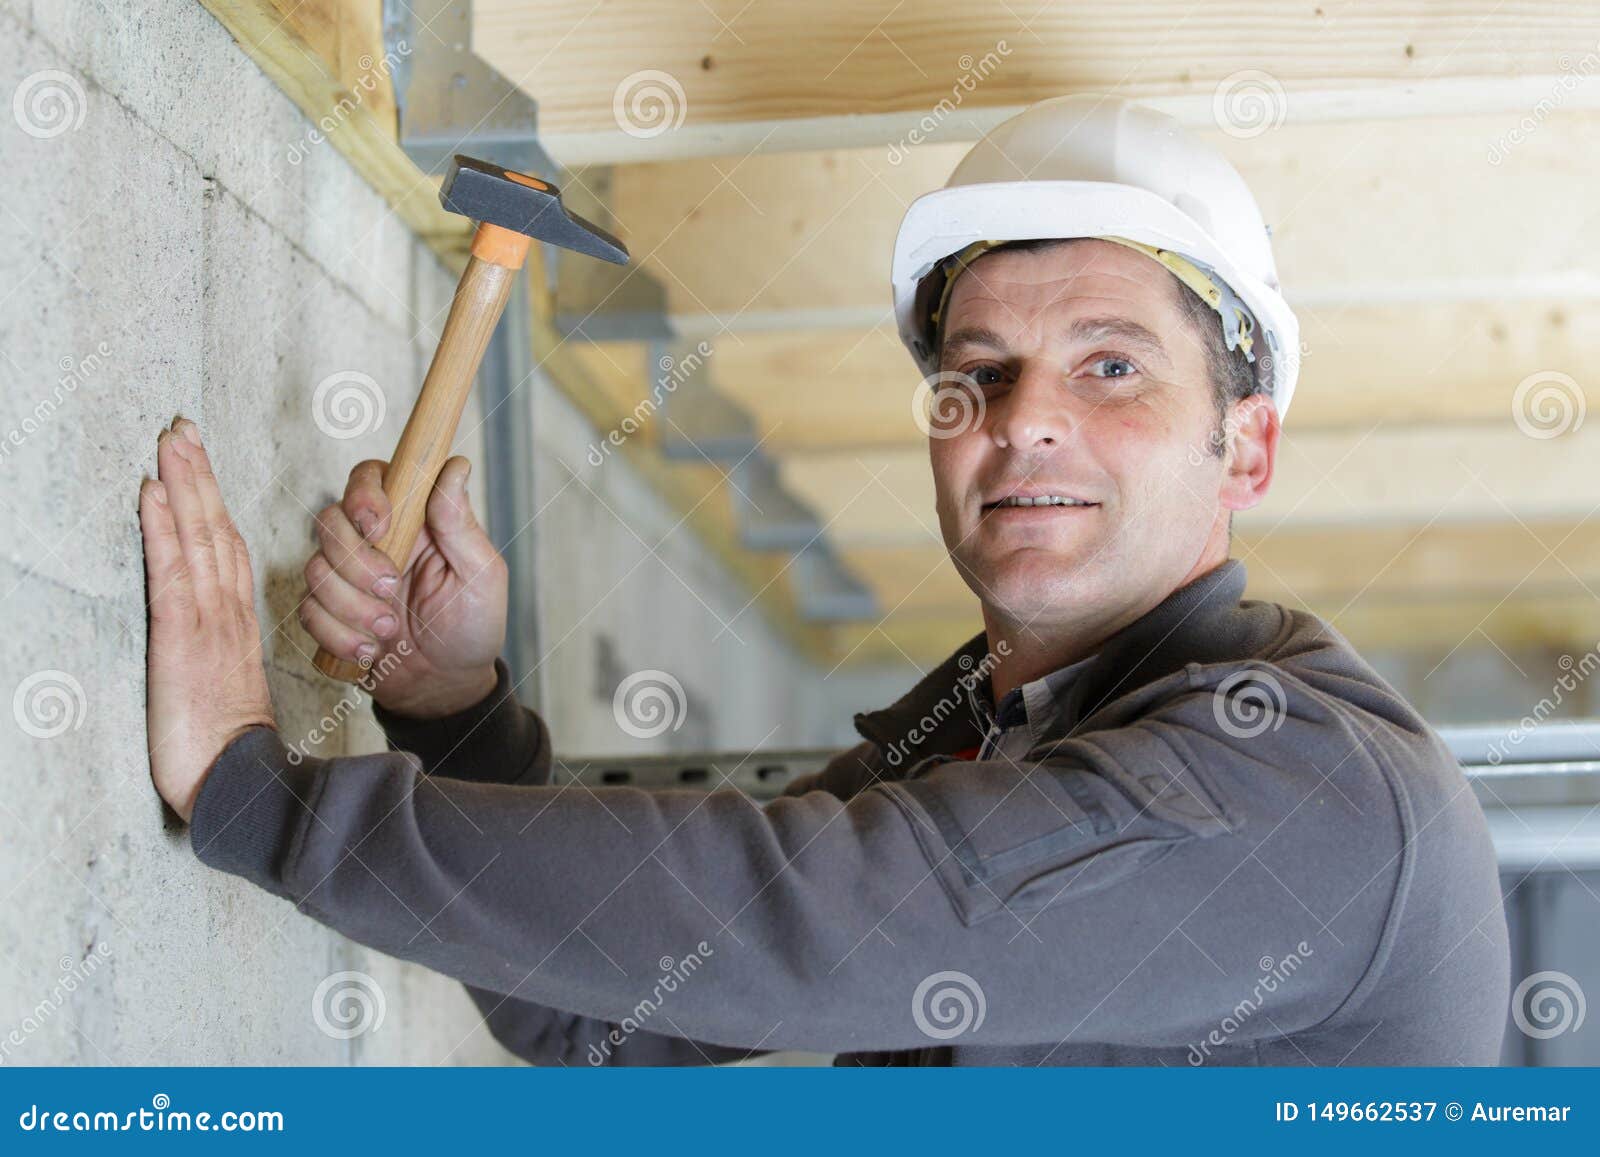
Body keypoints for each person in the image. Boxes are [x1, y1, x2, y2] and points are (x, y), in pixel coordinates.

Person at [140, 95, 1509, 1065]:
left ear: (1246, 446)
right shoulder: (999, 721)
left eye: (1111, 365)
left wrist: (258, 798)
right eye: (980, 373)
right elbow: (608, 1016)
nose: (1027, 419)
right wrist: (455, 708)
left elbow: (804, 919)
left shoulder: (1310, 790)